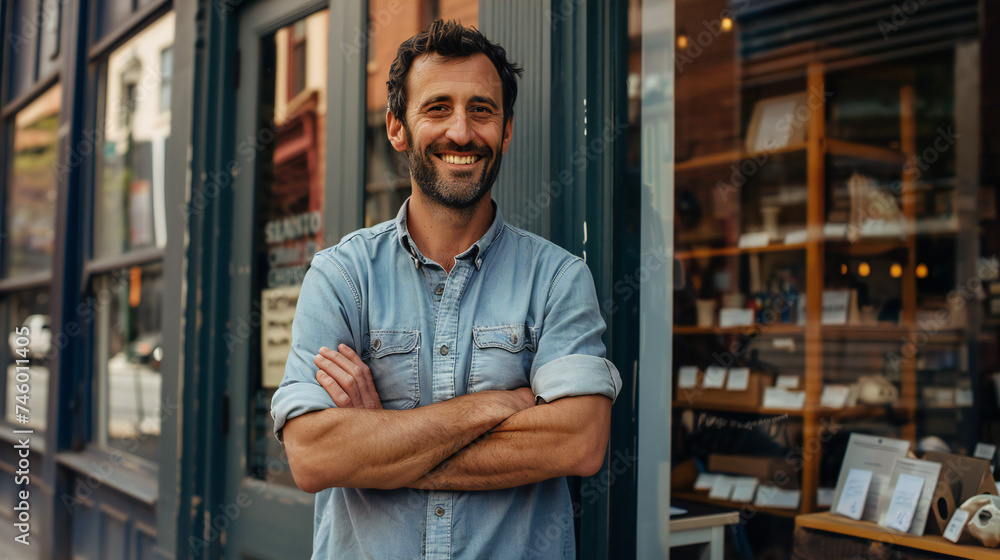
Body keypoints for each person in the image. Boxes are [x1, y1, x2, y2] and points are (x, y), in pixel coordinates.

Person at [271, 19, 621, 559]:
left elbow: (579, 442)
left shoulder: (557, 279)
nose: (461, 132)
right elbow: (315, 458)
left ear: (505, 130)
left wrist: (380, 443)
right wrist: (496, 407)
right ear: (397, 127)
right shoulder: (341, 277)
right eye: (437, 108)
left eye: (481, 110)